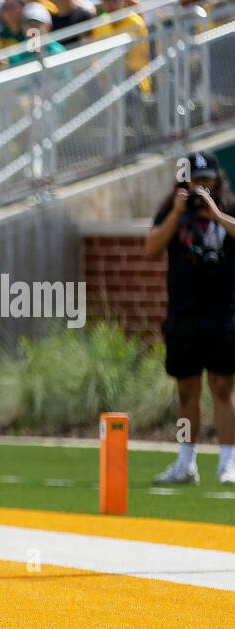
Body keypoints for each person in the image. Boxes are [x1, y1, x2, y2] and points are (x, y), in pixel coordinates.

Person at [144, 151, 235, 485]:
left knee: (223, 387)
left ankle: (228, 462)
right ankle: (186, 462)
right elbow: (151, 248)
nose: (201, 187)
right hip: (183, 316)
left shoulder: (227, 207)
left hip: (222, 314)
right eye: (195, 182)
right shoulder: (172, 210)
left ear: (216, 181)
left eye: (206, 181)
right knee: (186, 390)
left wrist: (216, 214)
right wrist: (177, 214)